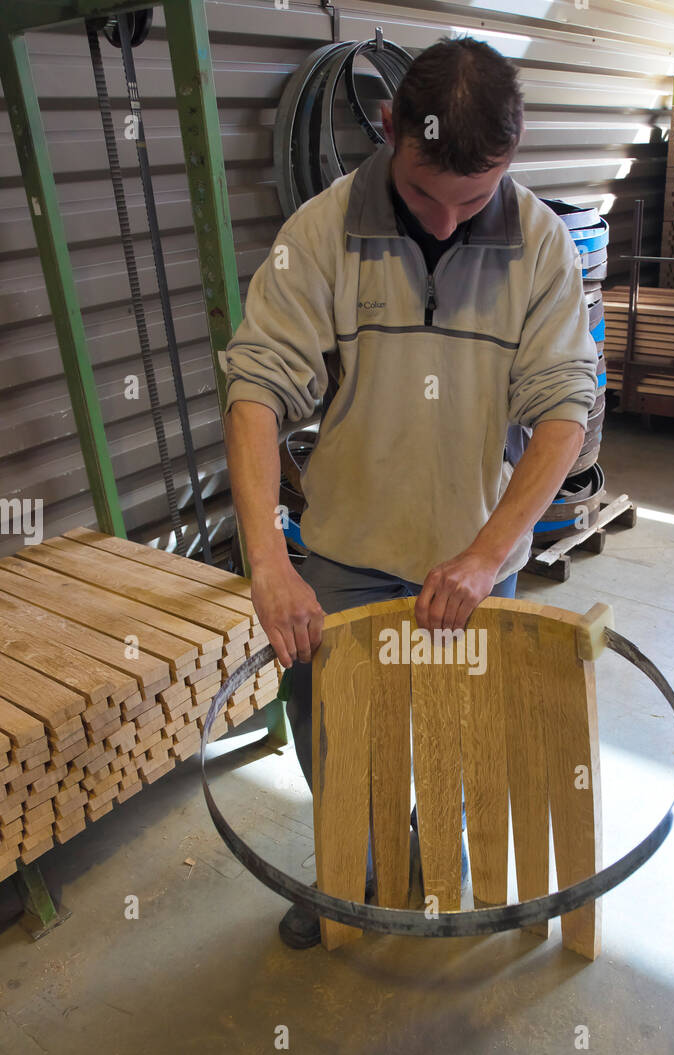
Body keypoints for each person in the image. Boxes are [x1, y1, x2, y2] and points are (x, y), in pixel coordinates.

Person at [223, 36, 598, 947]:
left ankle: (438, 868)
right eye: (425, 192)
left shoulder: (541, 244)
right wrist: (269, 564)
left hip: (473, 557)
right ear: (389, 128)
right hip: (346, 552)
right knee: (340, 742)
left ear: (509, 161)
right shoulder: (320, 232)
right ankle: (352, 872)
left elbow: (564, 413)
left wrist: (484, 556)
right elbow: (256, 389)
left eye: (471, 200)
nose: (443, 221)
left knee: (457, 736)